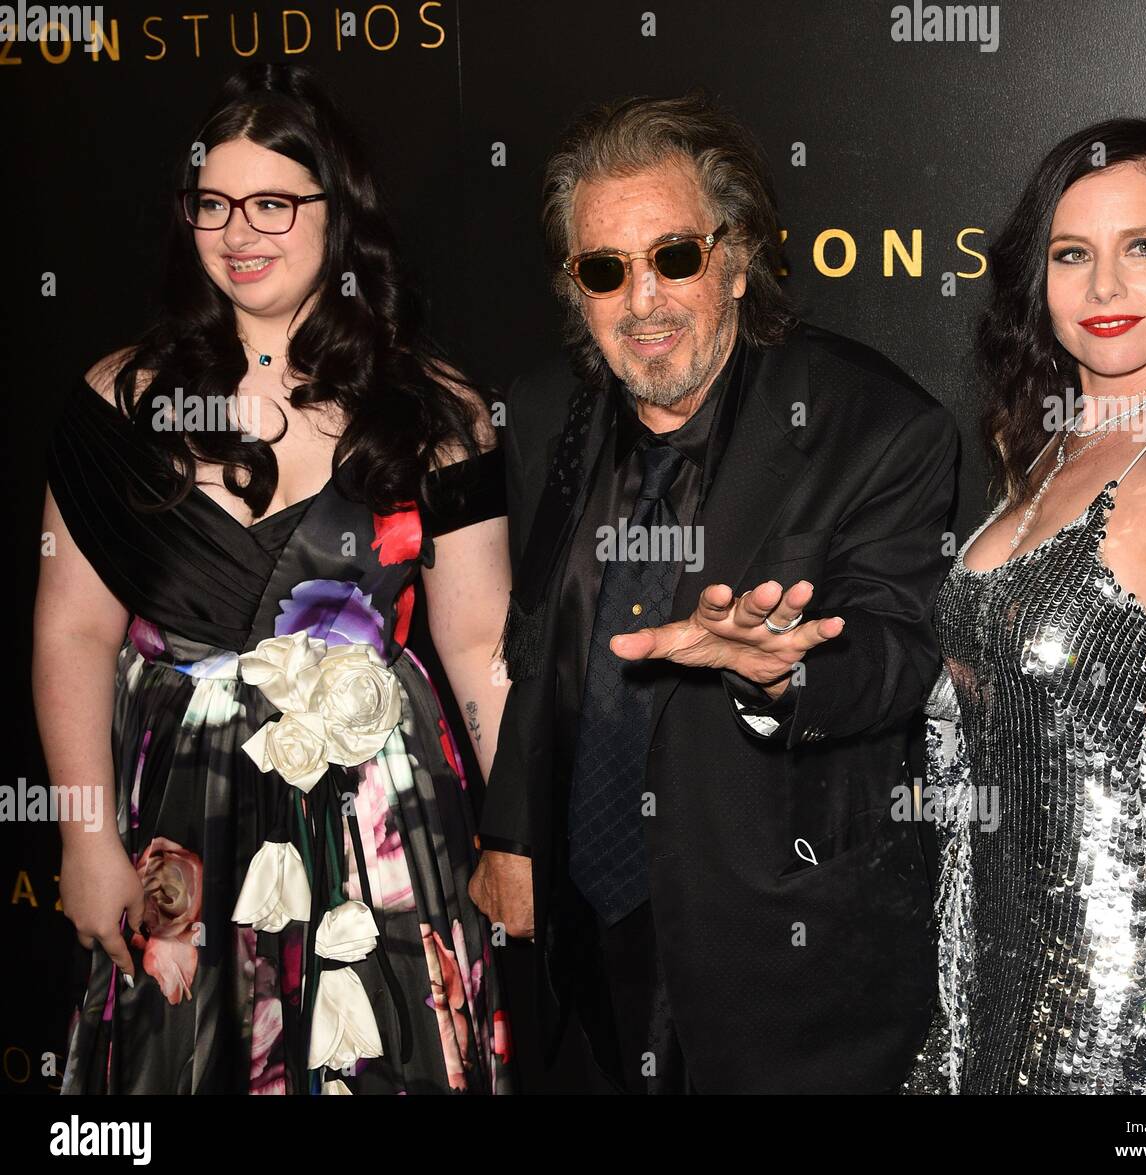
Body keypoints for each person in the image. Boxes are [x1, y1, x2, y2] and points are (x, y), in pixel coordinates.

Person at [35, 63, 514, 1094]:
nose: (237, 231)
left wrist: (514, 837)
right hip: (183, 814)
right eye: (211, 203)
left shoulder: (436, 410)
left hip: (379, 816)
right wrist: (83, 837)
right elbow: (73, 629)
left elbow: (480, 648)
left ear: (337, 215)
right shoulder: (120, 402)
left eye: (271, 203)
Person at [468, 92, 959, 1093]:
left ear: (734, 257)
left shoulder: (876, 425)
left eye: (674, 257)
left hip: (780, 952)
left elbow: (898, 652)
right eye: (605, 271)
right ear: (575, 287)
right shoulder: (543, 411)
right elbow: (536, 643)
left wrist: (782, 674)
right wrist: (512, 831)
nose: (642, 302)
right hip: (585, 943)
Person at [901, 118, 1146, 1094]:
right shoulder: (1050, 450)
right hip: (988, 1000)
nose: (1105, 288)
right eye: (1073, 254)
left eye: (1144, 248)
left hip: (1122, 1031)